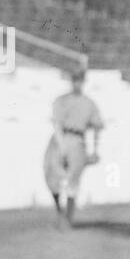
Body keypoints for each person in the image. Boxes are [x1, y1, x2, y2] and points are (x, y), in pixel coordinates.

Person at [43, 69, 103, 227]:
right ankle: (59, 212)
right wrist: (61, 146)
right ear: (71, 82)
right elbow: (57, 124)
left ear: (83, 82)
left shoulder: (89, 103)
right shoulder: (61, 100)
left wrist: (95, 151)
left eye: (80, 81)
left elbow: (97, 126)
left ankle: (68, 219)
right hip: (59, 139)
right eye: (75, 80)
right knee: (51, 176)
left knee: (73, 180)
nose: (77, 84)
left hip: (78, 140)